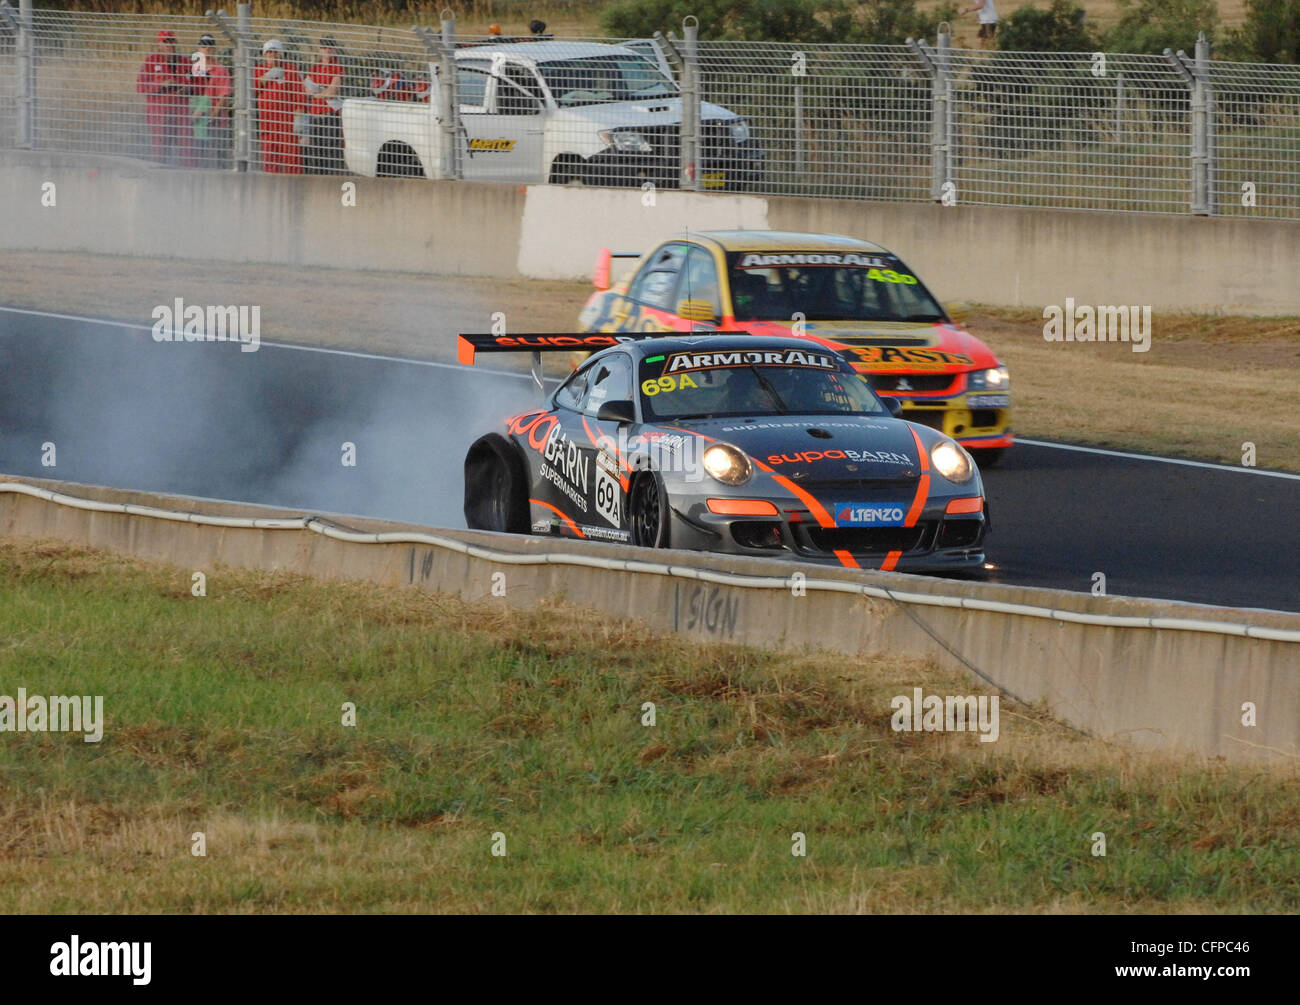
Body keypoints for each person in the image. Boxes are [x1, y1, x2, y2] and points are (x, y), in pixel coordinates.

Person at [136, 29, 195, 166]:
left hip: (181, 113)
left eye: (172, 41)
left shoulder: (186, 62)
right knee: (160, 146)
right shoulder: (151, 61)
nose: (169, 45)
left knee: (187, 145)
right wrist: (161, 84)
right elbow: (141, 87)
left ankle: (189, 175)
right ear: (159, 45)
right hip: (160, 113)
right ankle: (159, 175)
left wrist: (188, 89)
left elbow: (199, 86)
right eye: (165, 42)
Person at [254, 38, 307, 174]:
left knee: (293, 161)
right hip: (268, 126)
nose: (271, 55)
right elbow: (251, 90)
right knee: (270, 162)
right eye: (268, 52)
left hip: (287, 126)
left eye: (275, 52)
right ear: (264, 55)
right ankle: (271, 190)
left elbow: (300, 96)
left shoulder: (291, 70)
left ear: (281, 54)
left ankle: (294, 188)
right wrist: (267, 77)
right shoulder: (259, 71)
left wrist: (299, 119)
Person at [189, 33, 232, 168]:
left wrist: (210, 117)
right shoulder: (194, 69)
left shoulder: (221, 70)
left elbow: (223, 98)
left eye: (209, 47)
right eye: (203, 46)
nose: (206, 50)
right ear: (198, 49)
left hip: (216, 122)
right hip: (197, 123)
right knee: (200, 159)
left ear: (214, 50)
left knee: (219, 159)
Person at [304, 36, 344, 174]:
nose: (326, 50)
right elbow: (307, 89)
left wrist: (317, 92)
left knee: (330, 154)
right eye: (323, 47)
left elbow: (332, 92)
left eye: (329, 47)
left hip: (330, 115)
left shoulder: (337, 67)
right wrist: (323, 91)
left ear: (333, 49)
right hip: (316, 116)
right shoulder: (315, 68)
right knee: (316, 153)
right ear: (319, 49)